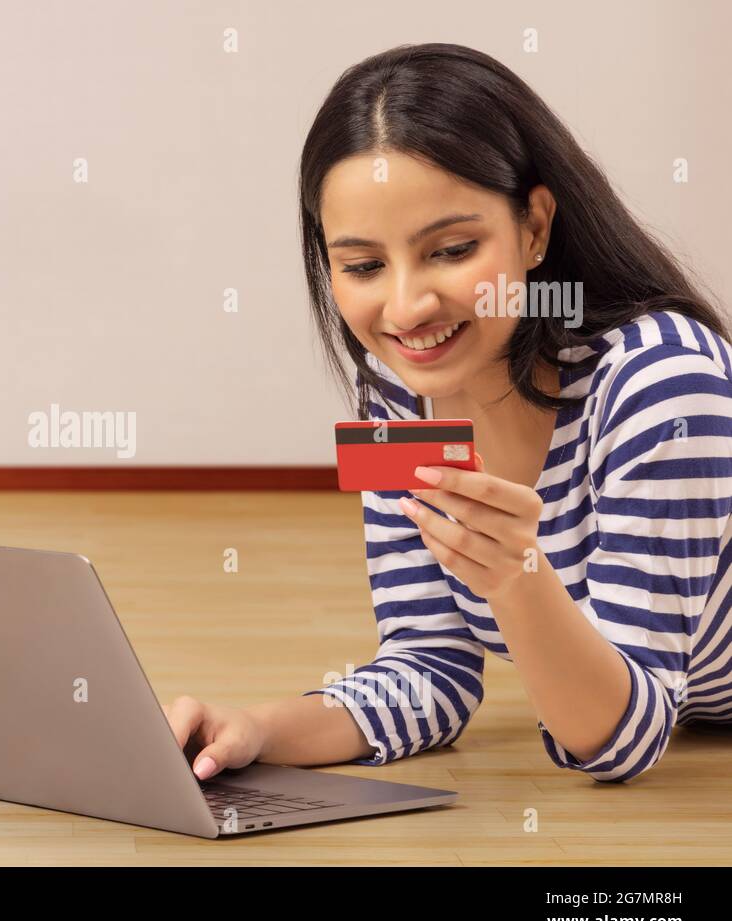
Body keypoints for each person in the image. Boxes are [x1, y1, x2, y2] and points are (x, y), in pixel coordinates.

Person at [164, 42, 732, 784]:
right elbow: (430, 668)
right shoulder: (400, 397)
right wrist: (253, 731)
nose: (406, 308)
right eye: (364, 266)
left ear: (534, 227)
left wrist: (517, 572)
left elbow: (620, 738)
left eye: (452, 249)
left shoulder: (661, 383)